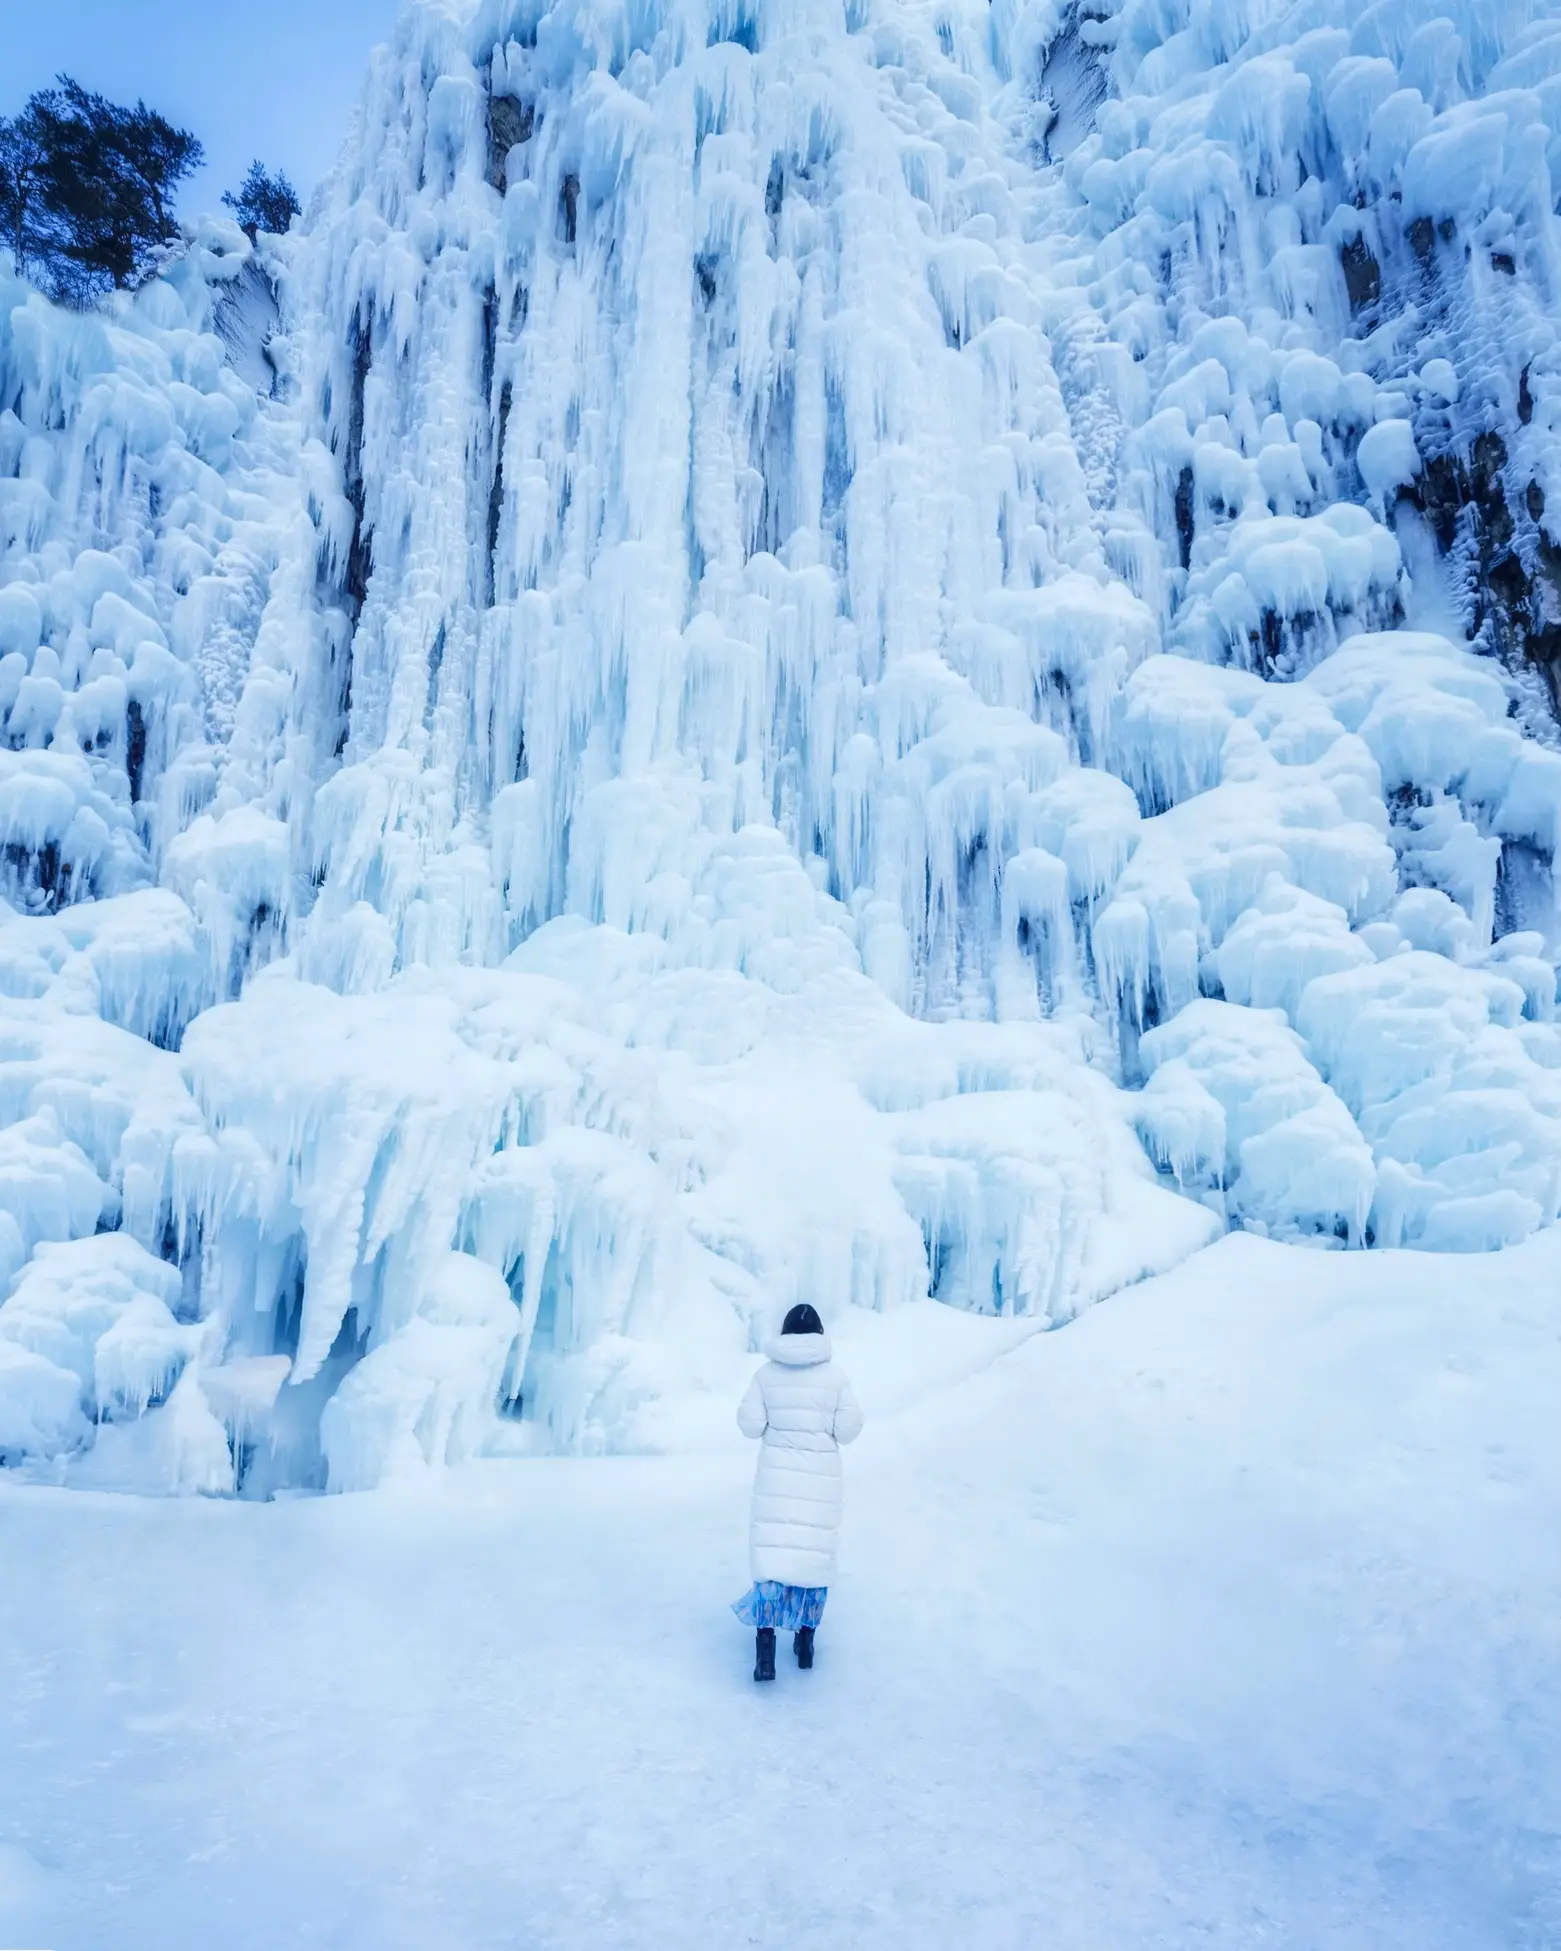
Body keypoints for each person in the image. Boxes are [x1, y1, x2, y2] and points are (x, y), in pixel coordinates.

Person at [732, 1302, 864, 1682]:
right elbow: (850, 1430)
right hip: (819, 1482)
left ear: (786, 1334)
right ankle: (805, 1643)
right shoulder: (836, 1378)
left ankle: (766, 1653)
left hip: (776, 1480)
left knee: (774, 1559)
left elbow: (750, 1424)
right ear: (820, 1335)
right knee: (811, 1557)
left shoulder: (765, 1375)